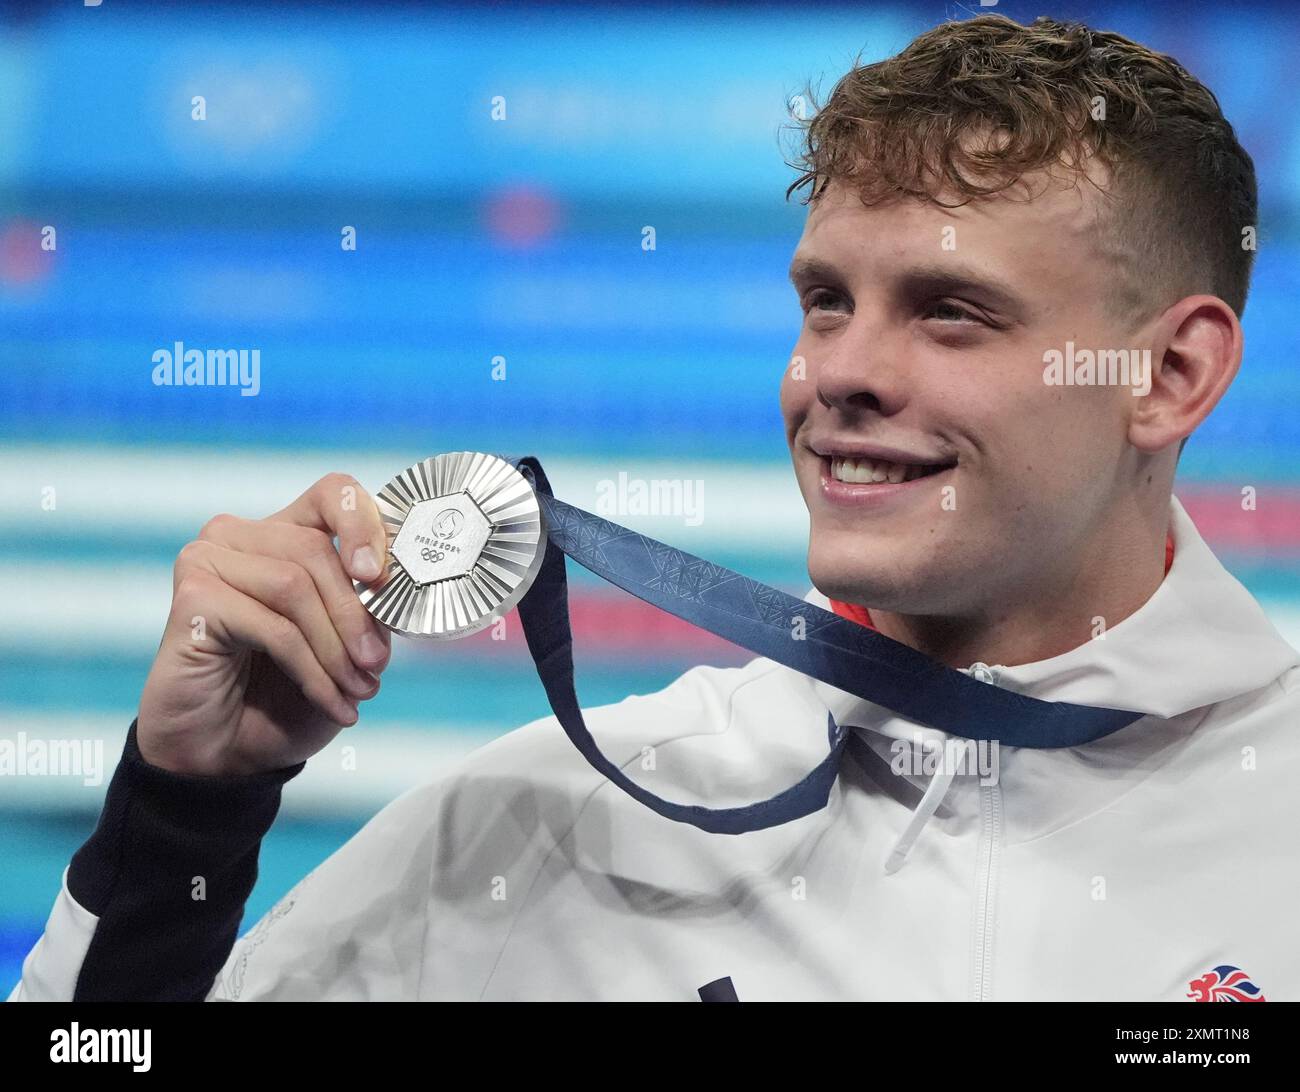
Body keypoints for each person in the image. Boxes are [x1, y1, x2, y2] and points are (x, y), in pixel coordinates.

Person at [10, 12, 1294, 1002]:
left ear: (1168, 376)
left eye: (950, 313)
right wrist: (186, 811)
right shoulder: (548, 829)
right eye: (825, 302)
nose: (837, 374)